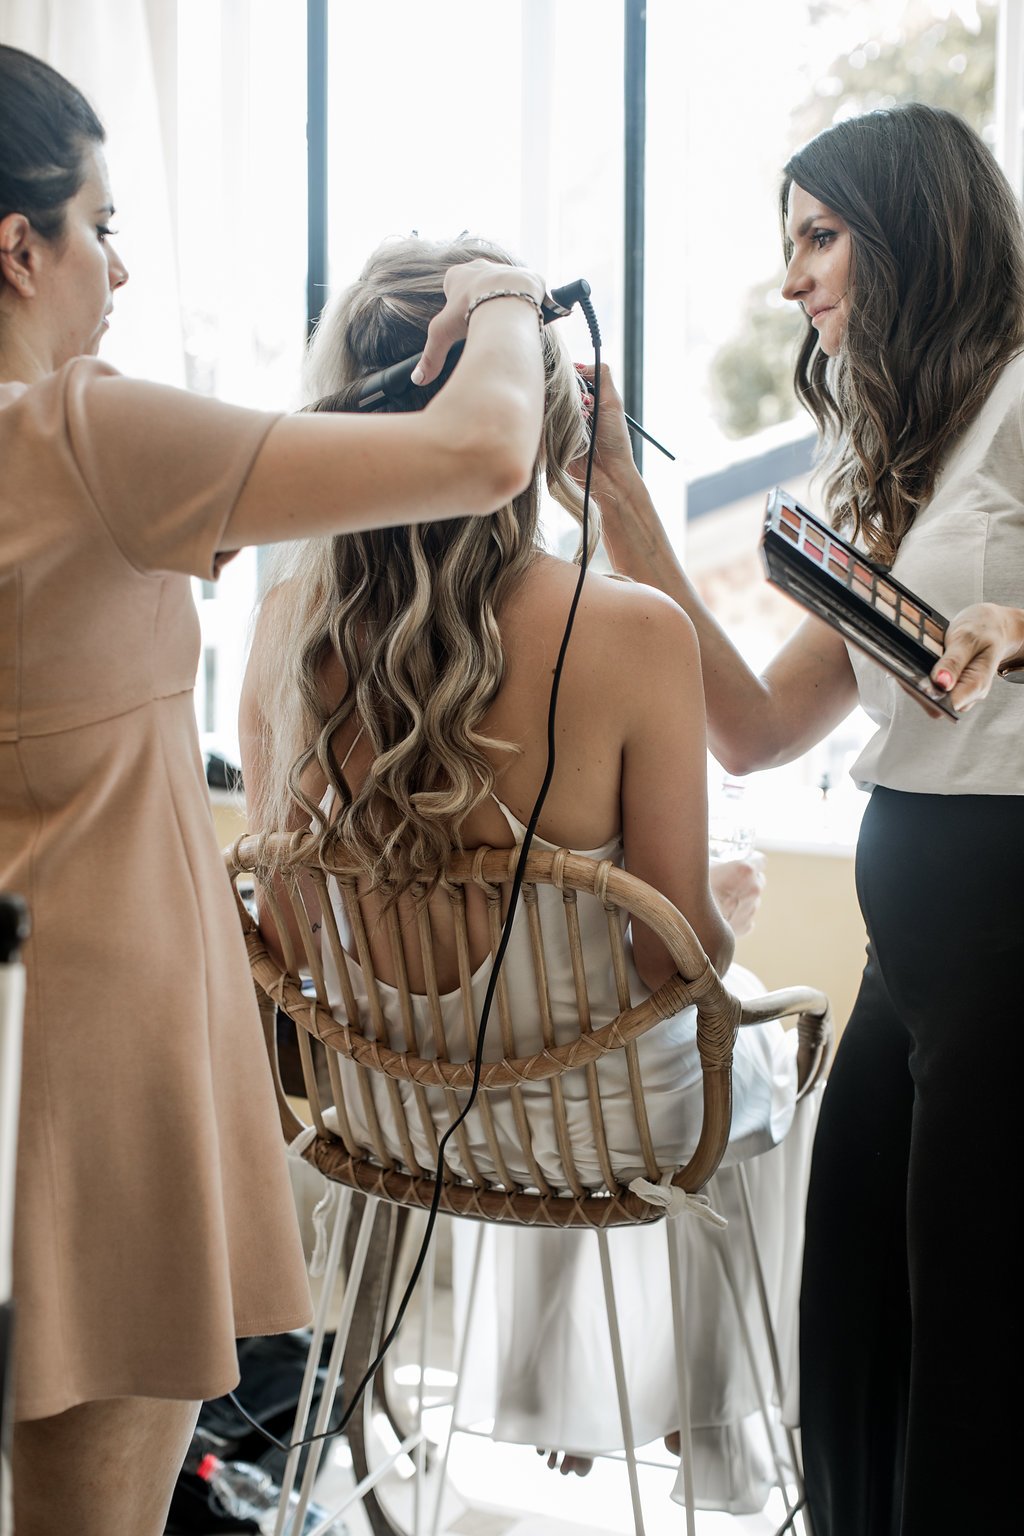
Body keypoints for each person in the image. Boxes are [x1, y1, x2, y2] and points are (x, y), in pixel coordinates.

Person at [0, 44, 552, 1536]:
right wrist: (502, 293)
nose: (114, 271)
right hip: (94, 1043)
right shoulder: (80, 431)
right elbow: (486, 448)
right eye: (101, 229)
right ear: (19, 244)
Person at [239, 234, 826, 1515]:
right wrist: (716, 911)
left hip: (377, 1111)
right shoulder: (629, 633)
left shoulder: (285, 629)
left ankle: (533, 1417)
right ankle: (721, 1457)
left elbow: (281, 930)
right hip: (609, 1125)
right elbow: (668, 959)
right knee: (766, 1052)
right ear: (539, 421)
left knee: (585, 1034)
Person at [575, 103, 1024, 1536]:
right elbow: (755, 728)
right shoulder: (899, 457)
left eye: (819, 238)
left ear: (915, 232)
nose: (792, 282)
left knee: (969, 1361)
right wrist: (625, 506)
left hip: (1009, 942)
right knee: (853, 1347)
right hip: (919, 962)